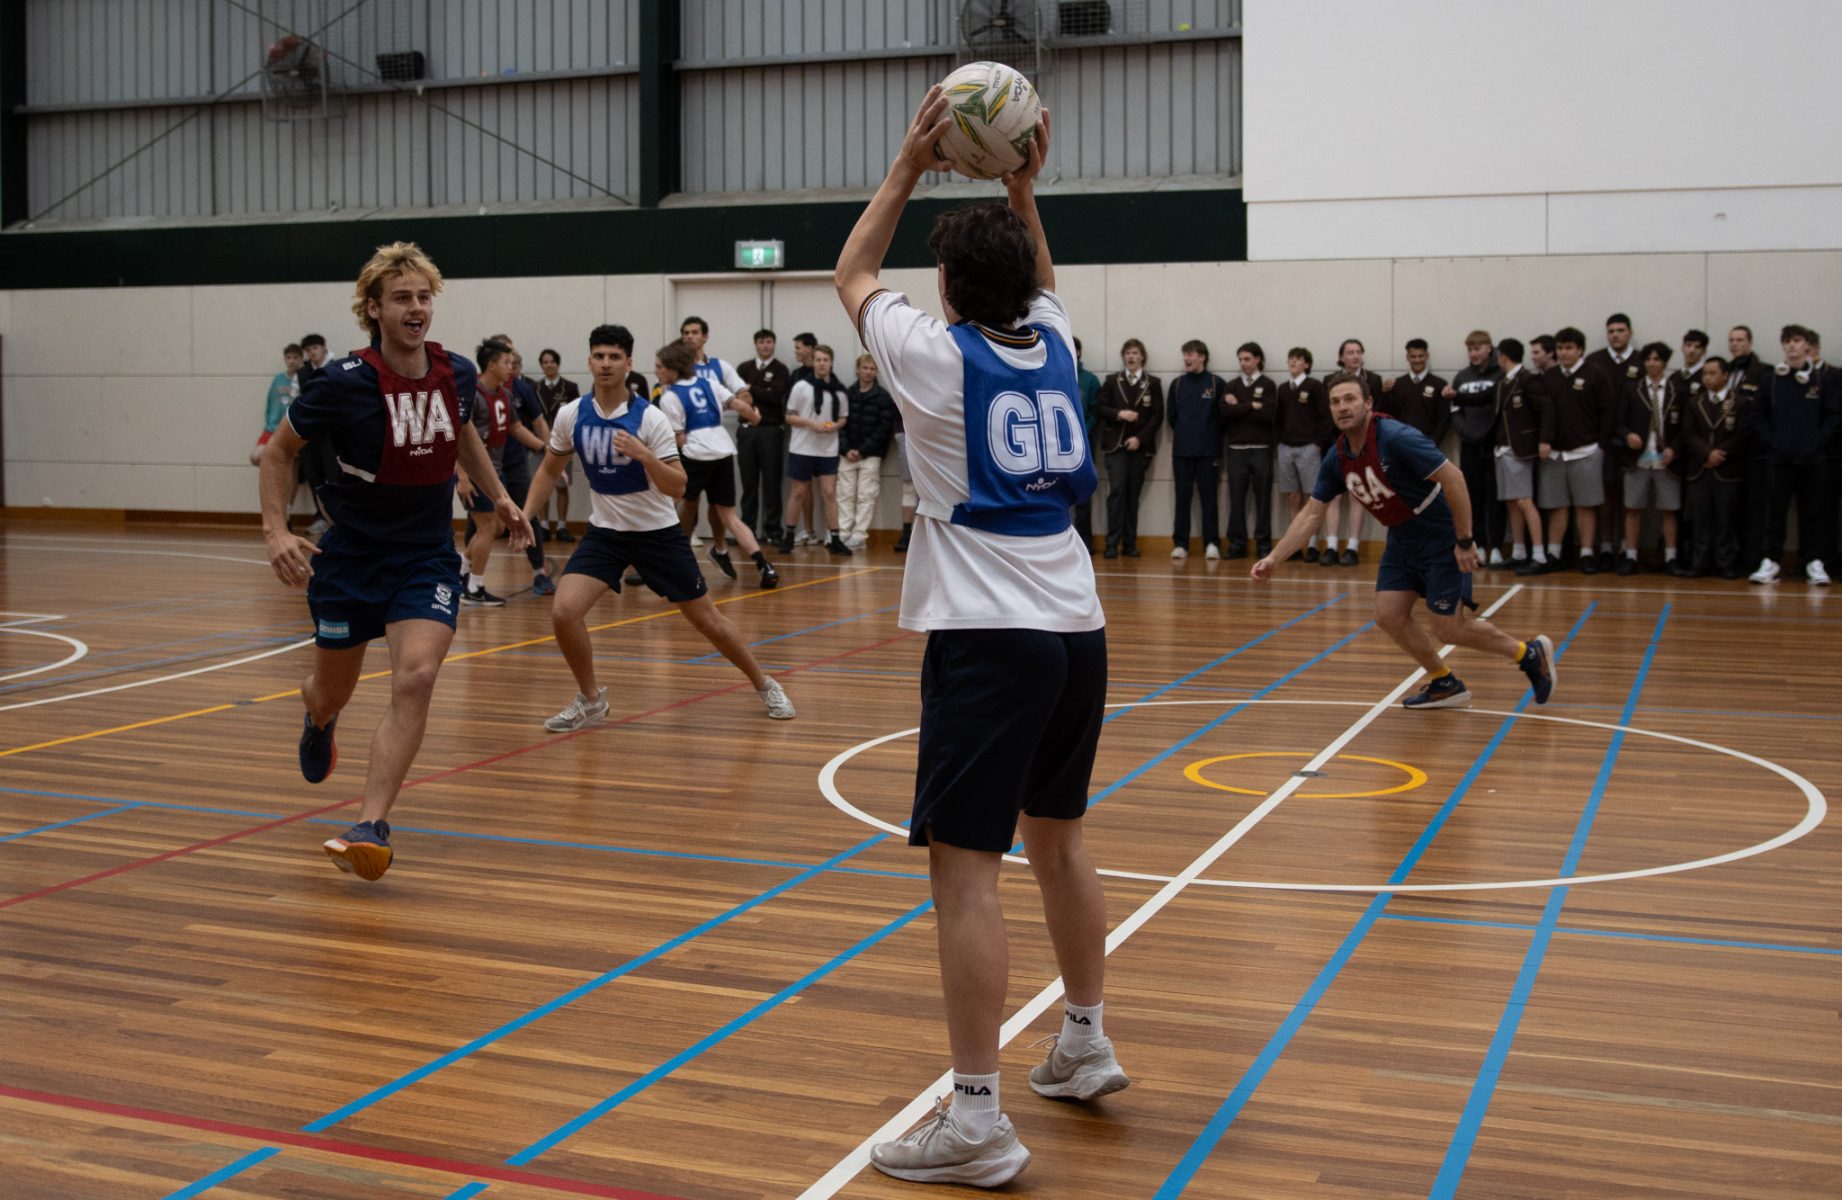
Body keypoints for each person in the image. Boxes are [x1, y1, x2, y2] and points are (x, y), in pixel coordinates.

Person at [837, 90, 1124, 1190]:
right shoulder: (1053, 341)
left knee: (966, 874)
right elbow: (1041, 283)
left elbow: (853, 274)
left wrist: (909, 164)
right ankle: (1086, 1040)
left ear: (951, 288)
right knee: (1060, 841)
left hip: (988, 636)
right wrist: (1020, 187)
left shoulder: (933, 357)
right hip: (1077, 625)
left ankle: (975, 1117)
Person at [259, 242, 533, 881]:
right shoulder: (341, 384)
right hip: (349, 558)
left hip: (426, 556)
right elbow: (279, 453)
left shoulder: (458, 373)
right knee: (333, 692)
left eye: (423, 297)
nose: (416, 308)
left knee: (416, 676)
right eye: (402, 298)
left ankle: (371, 823)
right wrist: (276, 531)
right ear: (374, 309)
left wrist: (499, 497)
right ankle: (316, 718)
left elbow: (461, 427)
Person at [520, 324, 795, 733]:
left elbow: (678, 485)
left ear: (629, 364)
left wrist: (645, 456)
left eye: (615, 357)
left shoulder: (651, 417)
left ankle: (765, 683)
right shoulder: (571, 414)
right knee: (564, 611)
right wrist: (525, 516)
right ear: (589, 362)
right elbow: (548, 468)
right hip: (606, 533)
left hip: (657, 534)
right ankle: (591, 700)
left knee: (709, 623)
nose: (606, 364)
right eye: (599, 356)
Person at [1253, 371, 1556, 712]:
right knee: (1389, 615)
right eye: (1335, 402)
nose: (1342, 407)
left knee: (1448, 628)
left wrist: (1465, 539)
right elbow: (1311, 513)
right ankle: (1444, 681)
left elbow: (1454, 478)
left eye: (1350, 399)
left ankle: (1527, 653)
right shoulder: (1337, 456)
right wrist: (1274, 559)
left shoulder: (1396, 437)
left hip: (1440, 534)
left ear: (1368, 403)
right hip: (1402, 538)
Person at [651, 340, 780, 589]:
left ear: (673, 369)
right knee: (729, 515)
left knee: (668, 504)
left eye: (659, 367)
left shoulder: (670, 397)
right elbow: (741, 405)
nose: (656, 371)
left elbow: (679, 438)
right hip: (722, 451)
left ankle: (665, 562)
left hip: (696, 455)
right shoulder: (708, 383)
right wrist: (755, 418)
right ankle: (764, 564)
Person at [1750, 325, 1840, 585]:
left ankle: (1814, 562)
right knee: (1776, 513)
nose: (1791, 346)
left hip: (1813, 460)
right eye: (1787, 341)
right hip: (1780, 460)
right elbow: (1758, 415)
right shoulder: (1773, 380)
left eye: (1797, 341)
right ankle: (1771, 562)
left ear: (1807, 346)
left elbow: (1833, 414)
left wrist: (1818, 441)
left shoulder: (1821, 382)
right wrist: (1772, 441)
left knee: (1813, 513)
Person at [456, 339, 543, 606]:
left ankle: (460, 568)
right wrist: (462, 477)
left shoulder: (503, 394)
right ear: (491, 365)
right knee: (489, 527)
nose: (512, 367)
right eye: (506, 363)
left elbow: (516, 429)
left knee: (497, 525)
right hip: (474, 474)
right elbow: (457, 438)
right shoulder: (472, 394)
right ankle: (474, 587)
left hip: (494, 472)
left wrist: (547, 449)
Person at [1538, 327, 1614, 573]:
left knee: (1586, 505)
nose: (1564, 352)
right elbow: (1543, 414)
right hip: (1555, 454)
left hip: (1586, 451)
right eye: (1560, 348)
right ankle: (1554, 553)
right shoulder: (1549, 377)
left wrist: (1600, 445)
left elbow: (1607, 412)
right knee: (1557, 506)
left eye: (1569, 348)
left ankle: (1587, 554)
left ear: (1580, 349)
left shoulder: (1595, 375)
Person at [1615, 342, 1685, 575]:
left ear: (1665, 362)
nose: (1652, 363)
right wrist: (1628, 435)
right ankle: (1631, 556)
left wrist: (1675, 448)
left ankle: (1671, 557)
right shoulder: (1631, 389)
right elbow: (1618, 422)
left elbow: (1687, 426)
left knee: (1669, 509)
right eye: (1648, 359)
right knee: (1633, 508)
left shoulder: (1678, 391)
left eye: (1657, 359)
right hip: (1638, 458)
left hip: (1667, 460)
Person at [1679, 356, 1750, 578]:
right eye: (1705, 374)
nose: (1707, 378)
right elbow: (1688, 434)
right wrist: (1706, 454)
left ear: (1725, 375)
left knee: (1725, 519)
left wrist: (1721, 453)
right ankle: (1698, 562)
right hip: (1700, 470)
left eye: (1712, 373)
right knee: (1700, 519)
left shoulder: (1740, 403)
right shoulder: (1695, 402)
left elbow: (1744, 434)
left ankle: (1725, 562)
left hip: (1727, 470)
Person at [781, 345, 853, 555]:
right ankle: (789, 534)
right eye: (818, 360)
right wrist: (809, 423)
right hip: (802, 447)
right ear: (813, 362)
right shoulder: (801, 387)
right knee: (798, 492)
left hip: (827, 448)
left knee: (829, 492)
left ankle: (836, 538)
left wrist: (834, 426)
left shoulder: (839, 390)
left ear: (831, 362)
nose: (822, 364)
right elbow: (789, 415)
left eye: (826, 360)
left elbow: (843, 418)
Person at [1586, 313, 1642, 566]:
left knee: (1629, 497)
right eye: (1611, 331)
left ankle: (1627, 549)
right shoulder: (1595, 361)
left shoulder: (1642, 361)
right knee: (1605, 495)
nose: (1616, 335)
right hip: (1603, 439)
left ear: (1629, 332)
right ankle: (1606, 547)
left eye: (1620, 330)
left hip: (1634, 440)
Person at [1097, 338, 1161, 558]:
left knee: (1132, 495)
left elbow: (1156, 416)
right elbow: (1099, 407)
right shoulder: (1112, 380)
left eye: (1135, 353)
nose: (1131, 357)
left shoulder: (1152, 383)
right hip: (1116, 446)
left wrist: (1139, 439)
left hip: (1139, 448)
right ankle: (1112, 543)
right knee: (1116, 493)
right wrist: (1119, 414)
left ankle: (1130, 543)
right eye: (1127, 353)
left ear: (1142, 356)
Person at [1447, 330, 1505, 565]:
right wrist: (1465, 431)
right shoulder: (1462, 377)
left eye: (1477, 348)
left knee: (1496, 497)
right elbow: (1455, 411)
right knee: (1473, 496)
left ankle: (1497, 546)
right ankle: (1478, 543)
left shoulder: (1500, 374)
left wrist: (1489, 432)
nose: (1473, 353)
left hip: (1494, 444)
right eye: (1470, 349)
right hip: (1470, 444)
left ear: (1489, 348)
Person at [1491, 339, 1548, 575]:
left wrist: (1544, 440)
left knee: (1525, 501)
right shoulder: (1503, 382)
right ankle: (1518, 552)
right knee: (1511, 502)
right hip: (1503, 448)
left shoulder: (1527, 380)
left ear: (1503, 356)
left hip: (1521, 448)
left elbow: (1545, 410)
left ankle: (1539, 554)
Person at [1325, 338, 1384, 565]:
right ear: (1342, 357)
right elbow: (1328, 416)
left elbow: (1376, 414)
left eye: (1359, 351)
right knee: (1332, 496)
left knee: (1357, 493)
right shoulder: (1330, 380)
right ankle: (1330, 545)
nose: (1355, 356)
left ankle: (1352, 546)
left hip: (1366, 444)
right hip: (1337, 442)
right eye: (1350, 352)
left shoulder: (1375, 380)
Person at [1166, 339, 1224, 559]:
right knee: (1182, 499)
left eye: (1191, 354)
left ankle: (1212, 543)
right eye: (1185, 354)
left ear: (1202, 356)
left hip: (1209, 452)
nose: (1187, 359)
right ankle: (1181, 544)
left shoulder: (1217, 383)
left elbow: (1222, 418)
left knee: (1209, 499)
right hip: (1182, 451)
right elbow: (1172, 417)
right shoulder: (1177, 384)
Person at [1275, 346, 1334, 561]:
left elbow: (1326, 418)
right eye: (1290, 358)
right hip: (1286, 447)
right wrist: (1280, 441)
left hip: (1309, 447)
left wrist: (1318, 443)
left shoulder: (1315, 386)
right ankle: (1294, 545)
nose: (1292, 362)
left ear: (1306, 364)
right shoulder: (1282, 389)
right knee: (1293, 497)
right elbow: (1278, 419)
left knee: (1312, 498)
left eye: (1297, 359)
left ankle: (1311, 543)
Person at [1221, 341, 1277, 559]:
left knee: (1263, 498)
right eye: (1241, 359)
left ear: (1258, 359)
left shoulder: (1268, 384)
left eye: (1247, 359)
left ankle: (1263, 544)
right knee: (1236, 498)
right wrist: (1251, 405)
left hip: (1261, 448)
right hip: (1236, 449)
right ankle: (1237, 544)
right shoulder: (1231, 385)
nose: (1243, 363)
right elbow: (1225, 413)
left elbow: (1268, 414)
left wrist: (1238, 406)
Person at [737, 329, 792, 542]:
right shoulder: (744, 368)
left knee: (771, 482)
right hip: (747, 432)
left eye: (769, 342)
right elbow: (740, 397)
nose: (765, 346)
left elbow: (776, 396)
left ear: (774, 344)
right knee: (748, 483)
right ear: (755, 344)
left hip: (771, 431)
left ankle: (773, 530)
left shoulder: (781, 369)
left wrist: (753, 389)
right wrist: (760, 391)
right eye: (761, 342)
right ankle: (748, 529)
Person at [840, 353, 896, 549]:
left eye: (872, 369)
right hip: (847, 455)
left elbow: (883, 429)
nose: (868, 372)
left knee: (866, 496)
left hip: (871, 455)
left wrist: (862, 451)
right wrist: (846, 449)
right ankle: (842, 533)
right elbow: (841, 425)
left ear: (877, 371)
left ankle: (859, 535)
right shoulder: (847, 394)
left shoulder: (883, 397)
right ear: (858, 369)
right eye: (865, 368)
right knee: (845, 495)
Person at [534, 348, 581, 541]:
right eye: (545, 362)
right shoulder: (534, 388)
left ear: (558, 364)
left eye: (552, 361)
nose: (549, 365)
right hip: (539, 444)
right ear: (541, 366)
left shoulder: (570, 387)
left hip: (563, 444)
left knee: (562, 485)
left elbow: (577, 415)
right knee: (541, 484)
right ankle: (543, 525)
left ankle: (562, 525)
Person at [1380, 338, 1450, 444]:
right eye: (1413, 356)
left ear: (1427, 356)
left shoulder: (1439, 384)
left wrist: (1433, 442)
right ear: (1407, 357)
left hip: (1428, 444)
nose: (1417, 360)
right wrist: (1384, 393)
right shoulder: (1397, 384)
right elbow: (1388, 416)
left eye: (1421, 356)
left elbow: (1444, 418)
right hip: (1401, 442)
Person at [1072, 336, 1101, 551]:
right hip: (1058, 447)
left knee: (1083, 497)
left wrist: (1081, 434)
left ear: (1079, 353)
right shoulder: (1052, 374)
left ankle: (1085, 542)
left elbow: (1095, 413)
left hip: (1085, 446)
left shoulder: (1090, 381)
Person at [254, 342, 303, 466]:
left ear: (301, 359)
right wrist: (269, 423)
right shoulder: (278, 379)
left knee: (290, 465)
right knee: (257, 456)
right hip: (273, 428)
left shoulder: (303, 379)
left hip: (293, 430)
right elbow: (270, 403)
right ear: (285, 359)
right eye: (289, 357)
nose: (292, 361)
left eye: (295, 357)